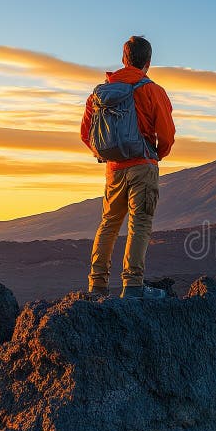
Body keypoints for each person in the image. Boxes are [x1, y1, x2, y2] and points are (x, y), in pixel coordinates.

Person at [80, 35, 175, 299]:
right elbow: (166, 134)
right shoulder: (152, 91)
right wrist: (156, 155)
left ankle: (96, 285)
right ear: (148, 62)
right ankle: (133, 286)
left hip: (114, 169)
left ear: (123, 59)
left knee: (108, 224)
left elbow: (86, 134)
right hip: (142, 166)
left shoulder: (99, 95)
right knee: (140, 224)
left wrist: (109, 155)